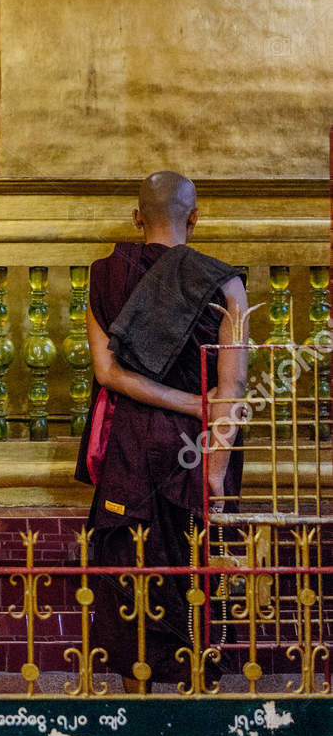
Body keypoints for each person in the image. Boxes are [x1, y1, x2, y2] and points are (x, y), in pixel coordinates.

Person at [75, 172, 249, 688]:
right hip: (193, 452)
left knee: (130, 573)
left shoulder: (104, 275)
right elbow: (231, 389)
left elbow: (107, 374)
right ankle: (196, 715)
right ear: (194, 218)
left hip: (130, 445)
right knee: (194, 572)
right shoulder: (226, 284)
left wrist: (189, 404)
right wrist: (215, 471)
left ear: (136, 218)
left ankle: (141, 713)